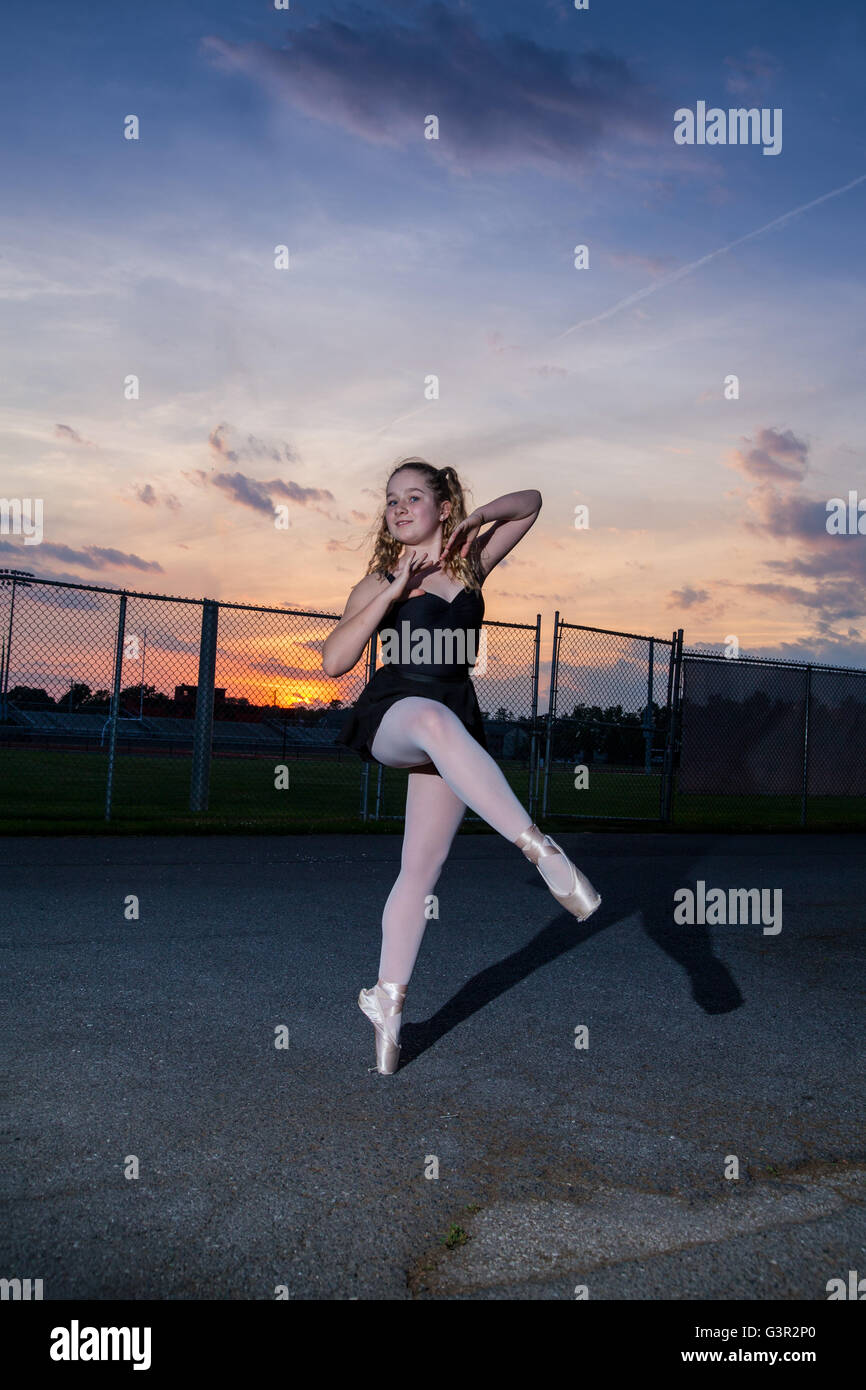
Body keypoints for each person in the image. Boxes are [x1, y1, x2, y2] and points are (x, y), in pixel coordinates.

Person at [322, 457, 601, 1074]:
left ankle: (387, 1004)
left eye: (414, 497)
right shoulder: (375, 582)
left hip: (453, 727)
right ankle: (541, 850)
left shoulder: (468, 565)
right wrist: (393, 590)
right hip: (396, 714)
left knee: (420, 873)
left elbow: (529, 501)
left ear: (441, 506)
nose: (398, 508)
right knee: (427, 719)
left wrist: (476, 519)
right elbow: (334, 662)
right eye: (391, 499)